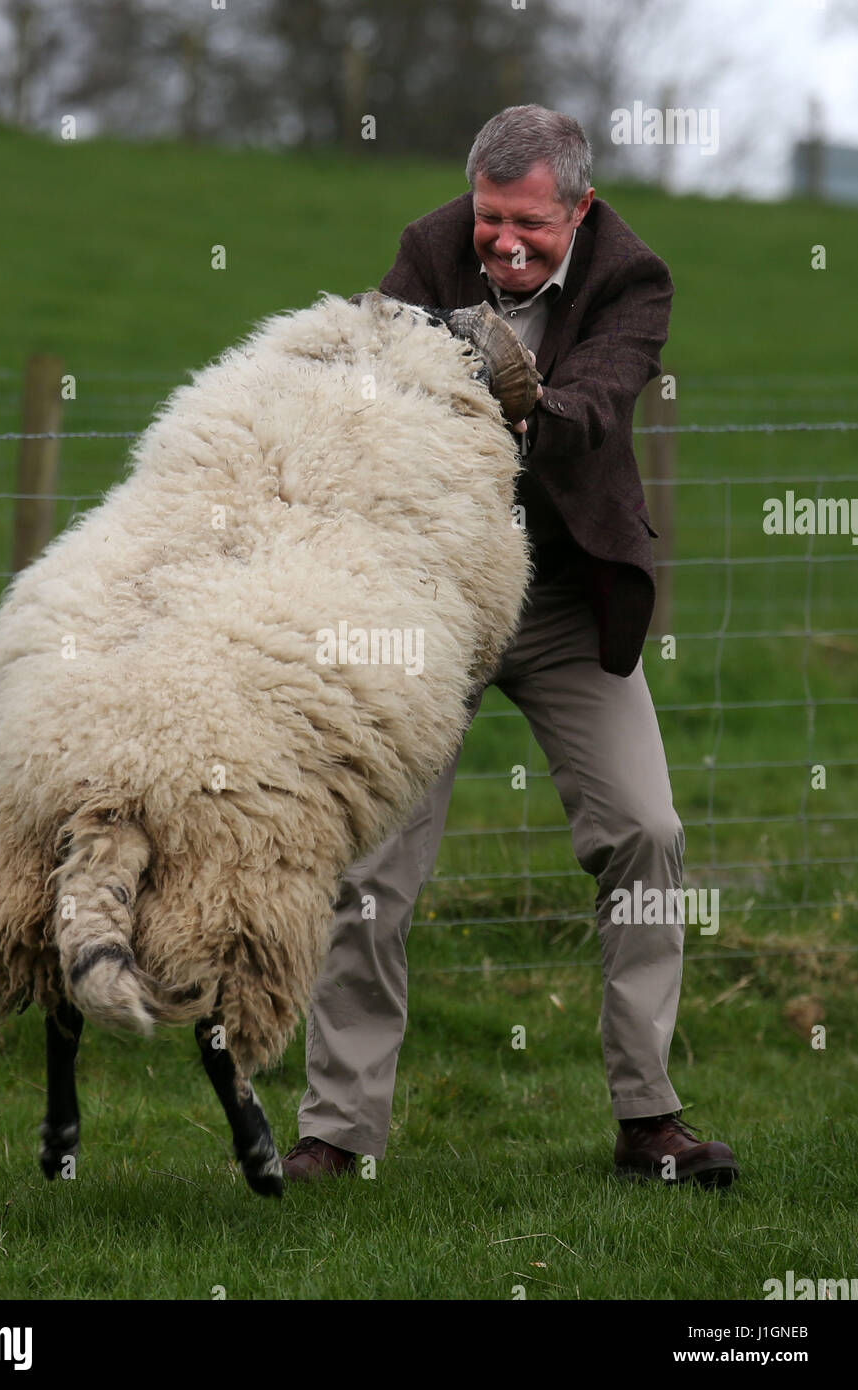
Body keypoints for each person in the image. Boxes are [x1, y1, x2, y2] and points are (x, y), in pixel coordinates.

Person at [282, 104, 738, 1186]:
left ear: (576, 208)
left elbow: (594, 404)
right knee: (371, 865)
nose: (503, 242)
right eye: (490, 219)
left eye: (528, 222)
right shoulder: (425, 247)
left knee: (646, 832)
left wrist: (511, 395)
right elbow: (367, 390)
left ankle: (647, 1118)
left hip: (565, 595)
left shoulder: (632, 277)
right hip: (432, 598)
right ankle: (336, 1134)